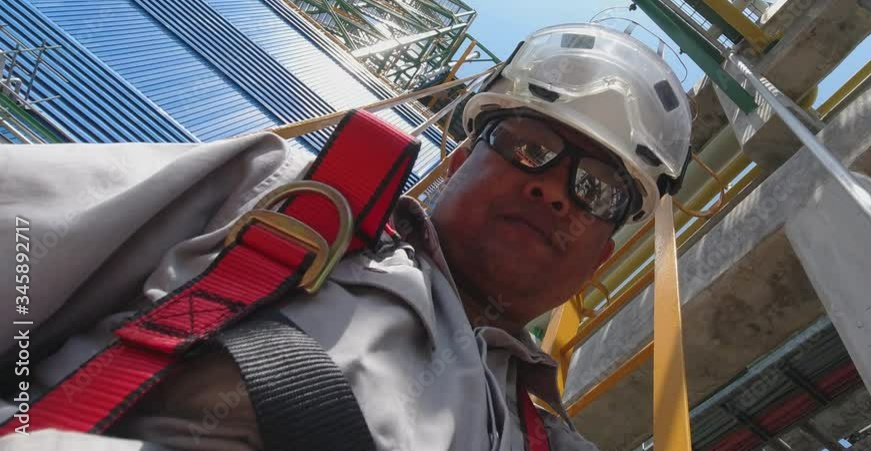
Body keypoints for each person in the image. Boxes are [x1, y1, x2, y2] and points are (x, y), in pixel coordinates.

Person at [0, 22, 691, 450]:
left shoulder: (544, 440)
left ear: (601, 257)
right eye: (527, 145)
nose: (550, 186)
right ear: (454, 162)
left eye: (596, 188)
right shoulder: (282, 205)